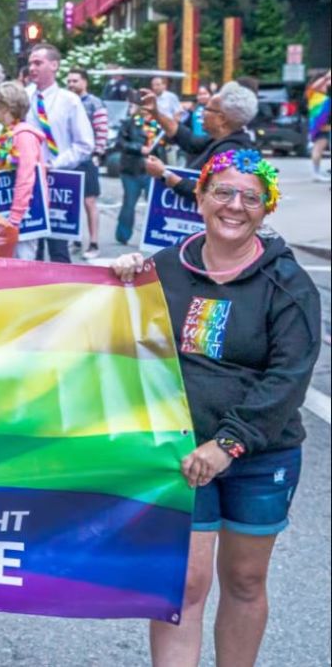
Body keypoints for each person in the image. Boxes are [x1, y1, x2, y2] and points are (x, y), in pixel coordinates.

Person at [111, 150, 319, 667]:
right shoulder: (161, 268)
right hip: (180, 454)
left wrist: (229, 443)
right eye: (223, 192)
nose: (235, 206)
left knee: (245, 580)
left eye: (251, 197)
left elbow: (288, 379)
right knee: (183, 584)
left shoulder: (290, 285)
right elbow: (111, 335)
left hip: (259, 455)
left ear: (266, 209)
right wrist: (120, 280)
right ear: (200, 197)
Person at [24, 43, 95, 262]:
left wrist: (55, 163)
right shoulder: (23, 97)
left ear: (54, 65)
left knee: (58, 250)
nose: (32, 68)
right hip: (29, 182)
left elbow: (85, 144)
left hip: (59, 182)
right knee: (30, 247)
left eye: (38, 62)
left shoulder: (70, 101)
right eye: (30, 63)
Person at [143, 81, 256, 206]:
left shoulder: (231, 152)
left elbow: (212, 192)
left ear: (222, 119)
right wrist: (156, 113)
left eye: (207, 109)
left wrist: (165, 174)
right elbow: (188, 140)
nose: (201, 113)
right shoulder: (220, 140)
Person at [0, 81, 46, 261]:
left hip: (23, 219)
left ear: (7, 106)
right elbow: (4, 166)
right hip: (6, 217)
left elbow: (26, 178)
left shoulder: (24, 137)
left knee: (21, 271)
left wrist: (15, 220)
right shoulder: (7, 136)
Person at [66, 67, 108, 259]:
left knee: (89, 201)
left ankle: (93, 243)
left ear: (85, 82)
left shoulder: (94, 103)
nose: (71, 84)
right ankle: (74, 238)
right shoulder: (65, 101)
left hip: (88, 159)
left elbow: (102, 131)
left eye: (75, 81)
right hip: (69, 159)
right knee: (71, 202)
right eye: (69, 81)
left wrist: (98, 153)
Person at [113, 100, 167, 245]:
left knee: (155, 205)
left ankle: (156, 236)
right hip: (131, 170)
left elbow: (166, 145)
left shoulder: (158, 125)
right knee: (129, 203)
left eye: (148, 108)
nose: (145, 111)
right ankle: (123, 235)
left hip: (152, 171)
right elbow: (120, 143)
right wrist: (138, 148)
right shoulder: (129, 123)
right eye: (142, 107)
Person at [305, 71, 329, 181]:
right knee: (318, 148)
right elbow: (315, 86)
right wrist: (326, 77)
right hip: (318, 127)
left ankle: (317, 172)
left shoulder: (323, 97)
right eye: (323, 84)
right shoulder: (312, 93)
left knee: (320, 148)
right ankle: (316, 173)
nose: (326, 85)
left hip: (324, 127)